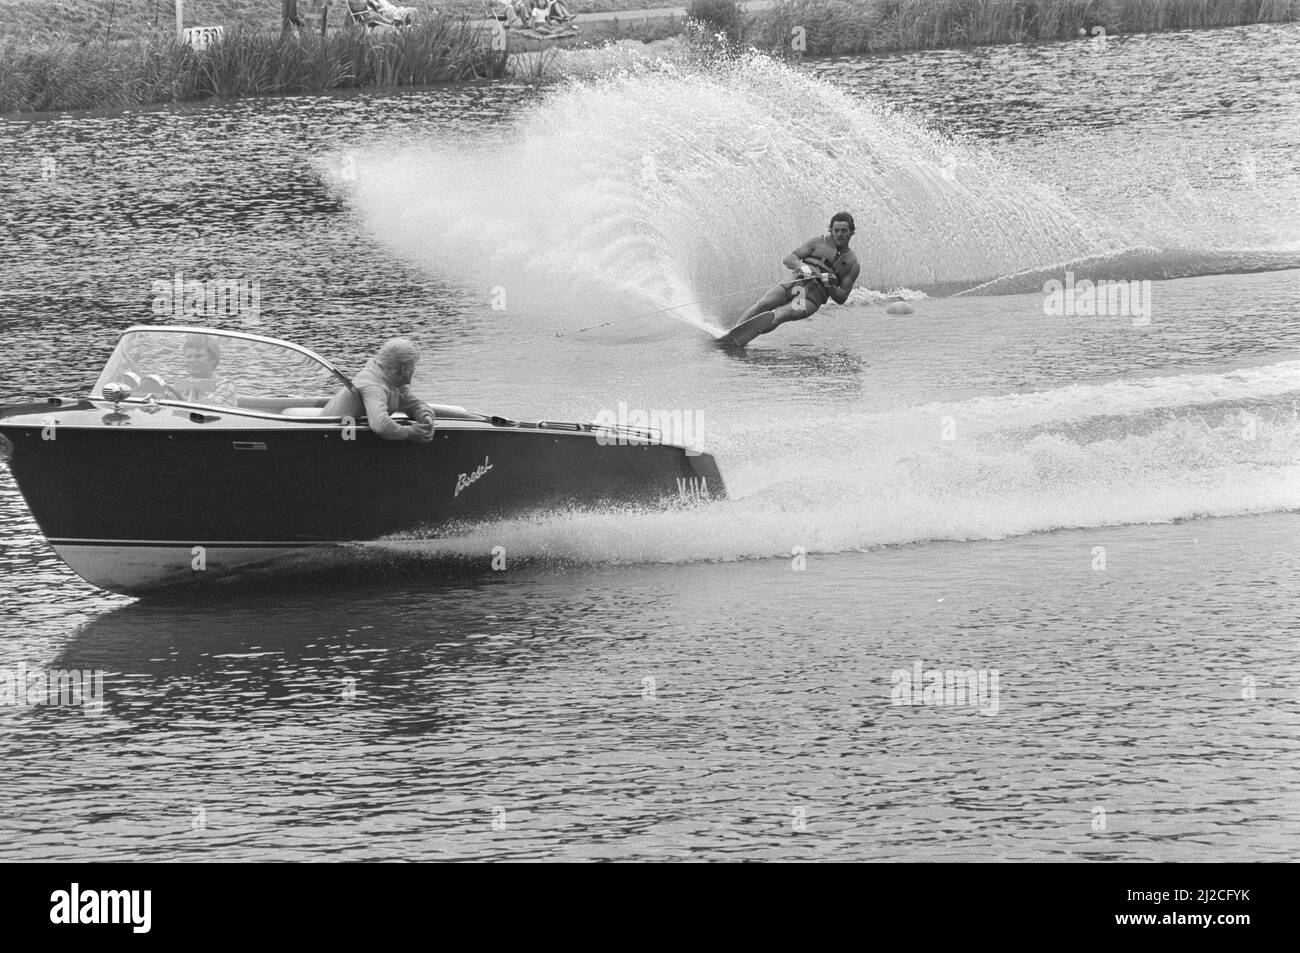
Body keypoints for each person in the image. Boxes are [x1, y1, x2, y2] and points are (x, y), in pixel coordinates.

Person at [733, 211, 862, 339]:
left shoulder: (852, 264)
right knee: (764, 304)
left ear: (852, 232)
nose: (839, 234)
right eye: (836, 230)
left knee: (780, 315)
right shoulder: (817, 242)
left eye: (844, 231)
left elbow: (842, 298)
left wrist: (829, 285)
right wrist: (801, 266)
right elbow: (789, 259)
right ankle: (732, 333)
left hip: (809, 299)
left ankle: (742, 338)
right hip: (794, 284)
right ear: (831, 230)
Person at [323, 338, 436, 442]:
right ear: (405, 368)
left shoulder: (389, 381)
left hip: (345, 438)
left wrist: (425, 416)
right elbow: (380, 424)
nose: (414, 369)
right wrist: (409, 433)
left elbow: (414, 405)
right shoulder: (372, 385)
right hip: (329, 437)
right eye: (413, 365)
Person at [175, 334, 239, 406]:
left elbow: (209, 412)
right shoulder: (182, 383)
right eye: (189, 356)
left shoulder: (226, 386)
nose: (192, 360)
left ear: (213, 359)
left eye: (198, 356)